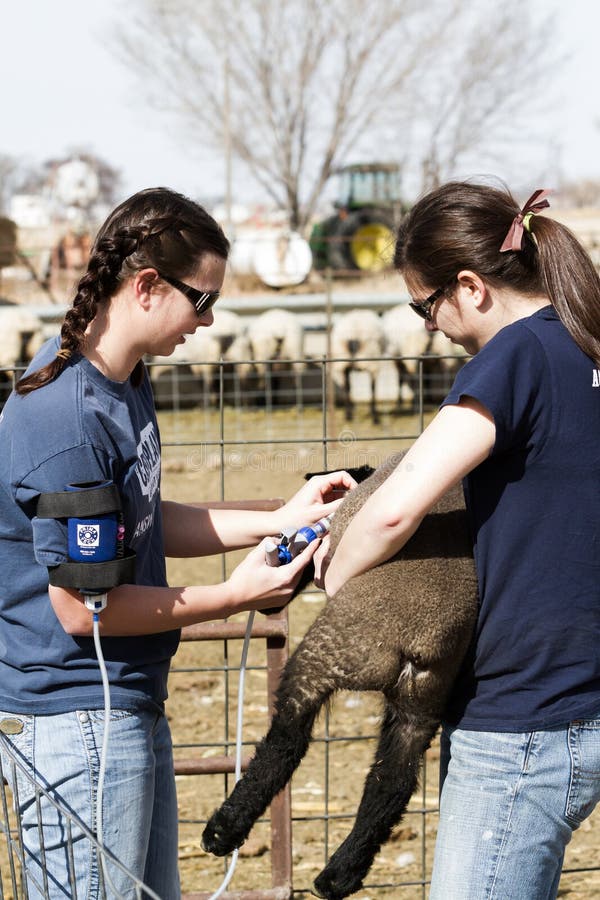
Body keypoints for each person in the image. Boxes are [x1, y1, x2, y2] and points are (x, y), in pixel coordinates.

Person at [0, 186, 355, 900]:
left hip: (124, 707)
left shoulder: (122, 382)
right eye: (203, 299)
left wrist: (277, 519)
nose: (212, 318)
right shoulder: (65, 420)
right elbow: (84, 608)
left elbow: (139, 520)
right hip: (77, 723)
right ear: (147, 286)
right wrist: (235, 595)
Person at [322, 181, 600, 899]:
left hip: (523, 719)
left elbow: (394, 507)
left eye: (425, 307)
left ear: (470, 286)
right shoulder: (587, 342)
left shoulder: (513, 359)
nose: (430, 327)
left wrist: (334, 570)